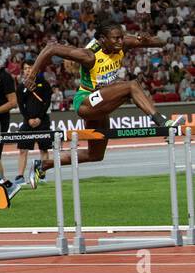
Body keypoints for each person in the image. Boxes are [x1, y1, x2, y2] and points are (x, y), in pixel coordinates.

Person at [23, 23, 177, 181]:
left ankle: (43, 165)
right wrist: (31, 76)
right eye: (115, 39)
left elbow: (162, 41)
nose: (120, 41)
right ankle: (162, 122)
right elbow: (51, 48)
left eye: (121, 38)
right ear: (103, 40)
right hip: (85, 102)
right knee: (131, 86)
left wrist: (147, 38)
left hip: (102, 102)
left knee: (95, 154)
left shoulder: (123, 43)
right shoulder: (89, 55)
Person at [9, 61, 53, 197]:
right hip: (27, 121)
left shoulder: (44, 84)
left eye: (30, 68)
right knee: (23, 149)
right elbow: (21, 106)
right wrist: (28, 119)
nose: (28, 70)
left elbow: (47, 102)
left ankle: (42, 174)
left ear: (36, 69)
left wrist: (39, 118)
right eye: (26, 68)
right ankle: (20, 176)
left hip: (42, 120)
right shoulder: (21, 86)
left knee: (44, 148)